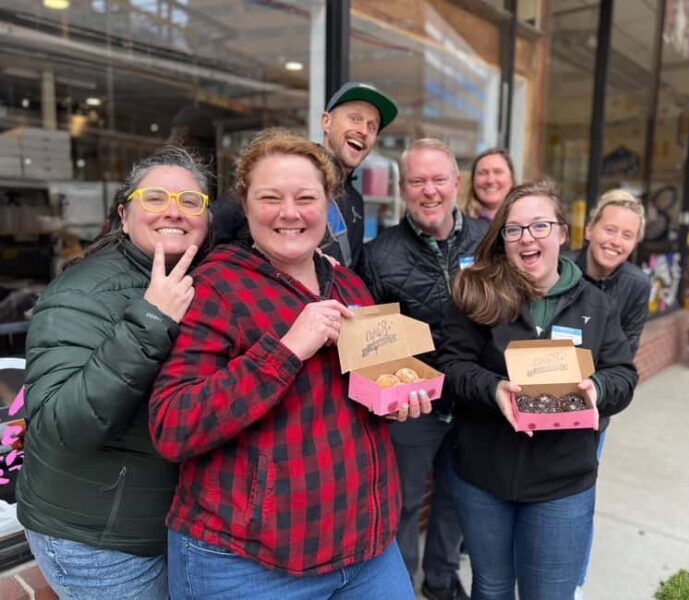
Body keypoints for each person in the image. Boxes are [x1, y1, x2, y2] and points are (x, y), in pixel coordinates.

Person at [149, 129, 428, 599]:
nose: (290, 213)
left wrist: (395, 399)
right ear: (245, 202)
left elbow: (371, 391)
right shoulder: (215, 288)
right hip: (248, 563)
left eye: (305, 197)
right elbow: (173, 425)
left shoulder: (350, 287)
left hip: (366, 550)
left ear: (329, 203)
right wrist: (286, 349)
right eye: (270, 197)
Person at [16, 146, 211, 599]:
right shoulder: (80, 293)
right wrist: (150, 321)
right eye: (156, 197)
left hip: (159, 520)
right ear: (124, 215)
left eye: (190, 201)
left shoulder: (199, 278)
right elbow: (65, 425)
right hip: (97, 539)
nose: (174, 212)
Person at [438, 180, 638, 599]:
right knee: (491, 587)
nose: (527, 238)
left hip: (561, 484)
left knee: (548, 593)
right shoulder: (478, 292)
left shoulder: (596, 305)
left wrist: (598, 387)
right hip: (482, 476)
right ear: (503, 239)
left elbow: (624, 373)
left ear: (563, 233)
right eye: (514, 229)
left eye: (540, 226)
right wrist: (494, 390)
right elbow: (453, 367)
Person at [362, 139, 488, 600]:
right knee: (403, 503)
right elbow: (372, 342)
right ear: (403, 188)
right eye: (418, 181)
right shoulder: (379, 254)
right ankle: (399, 588)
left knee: (456, 499)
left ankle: (440, 581)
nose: (429, 191)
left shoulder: (488, 241)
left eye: (439, 180)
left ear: (457, 184)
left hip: (473, 399)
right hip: (411, 404)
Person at [211, 81, 397, 273]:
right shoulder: (284, 168)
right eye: (355, 119)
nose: (363, 131)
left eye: (372, 127)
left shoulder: (355, 201)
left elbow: (351, 270)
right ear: (326, 122)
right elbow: (216, 227)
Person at [569, 189, 649, 596]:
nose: (615, 241)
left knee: (579, 499)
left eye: (627, 235)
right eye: (610, 228)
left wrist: (593, 392)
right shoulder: (560, 265)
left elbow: (624, 357)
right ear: (590, 229)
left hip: (592, 407)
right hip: (538, 397)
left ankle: (574, 580)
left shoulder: (636, 286)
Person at [464, 148, 515, 222]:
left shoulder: (526, 222)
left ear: (511, 179)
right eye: (483, 173)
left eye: (498, 172)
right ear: (473, 181)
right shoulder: (460, 225)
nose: (490, 180)